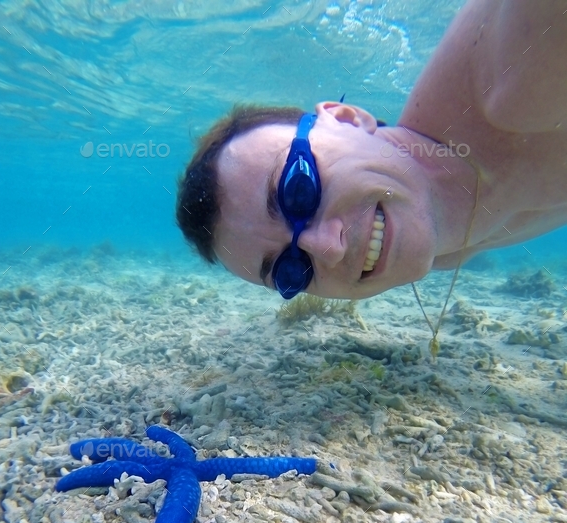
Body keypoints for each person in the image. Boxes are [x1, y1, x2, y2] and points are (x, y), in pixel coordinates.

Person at [176, 0, 567, 304]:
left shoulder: (518, 81)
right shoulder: (447, 247)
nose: (329, 249)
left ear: (347, 118)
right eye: (291, 271)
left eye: (298, 189)